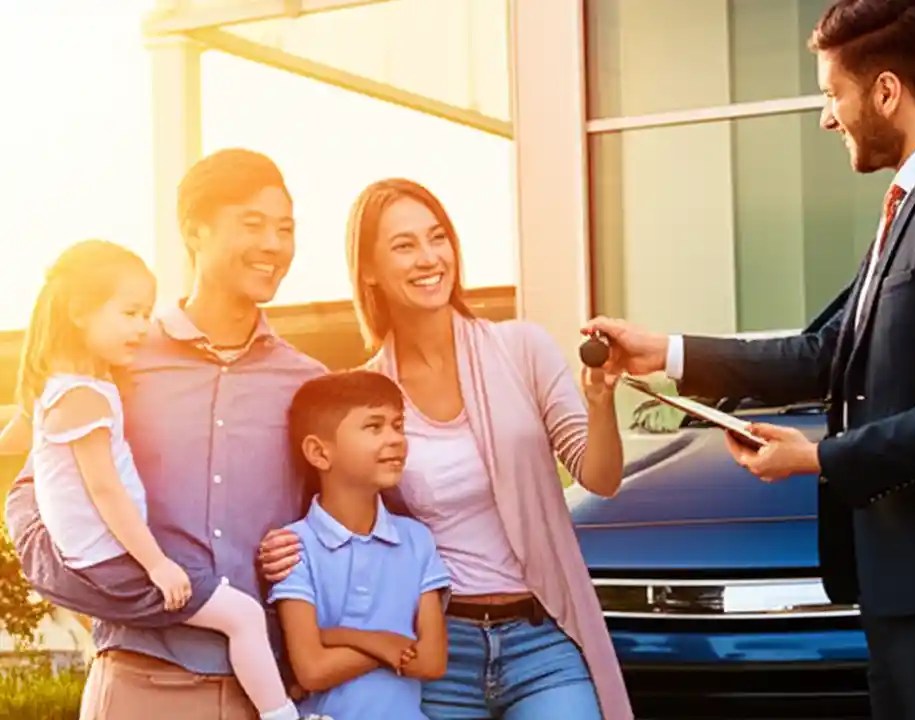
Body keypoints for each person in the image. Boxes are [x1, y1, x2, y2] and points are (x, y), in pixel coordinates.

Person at [583, 1, 915, 718]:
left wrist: (820, 458)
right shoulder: (914, 203)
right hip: (909, 594)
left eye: (834, 93)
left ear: (887, 91)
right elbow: (831, 353)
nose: (828, 118)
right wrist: (669, 353)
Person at [258, 178, 633, 720]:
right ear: (368, 270)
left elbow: (600, 478)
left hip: (542, 636)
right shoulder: (368, 395)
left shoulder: (521, 349)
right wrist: (283, 546)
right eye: (403, 245)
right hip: (436, 649)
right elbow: (339, 508)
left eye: (438, 238)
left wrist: (599, 404)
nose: (429, 258)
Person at [4, 148, 328, 720]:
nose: (275, 244)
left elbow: (347, 520)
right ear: (193, 231)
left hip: (265, 693)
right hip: (139, 683)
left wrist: (308, 543)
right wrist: (114, 592)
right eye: (252, 224)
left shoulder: (308, 383)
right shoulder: (116, 363)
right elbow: (34, 499)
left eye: (286, 228)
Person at [270, 370, 450, 719]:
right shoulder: (293, 548)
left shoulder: (416, 539)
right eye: (374, 426)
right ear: (319, 453)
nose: (396, 438)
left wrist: (336, 635)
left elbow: (431, 661)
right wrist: (382, 644)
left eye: (398, 425)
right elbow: (312, 670)